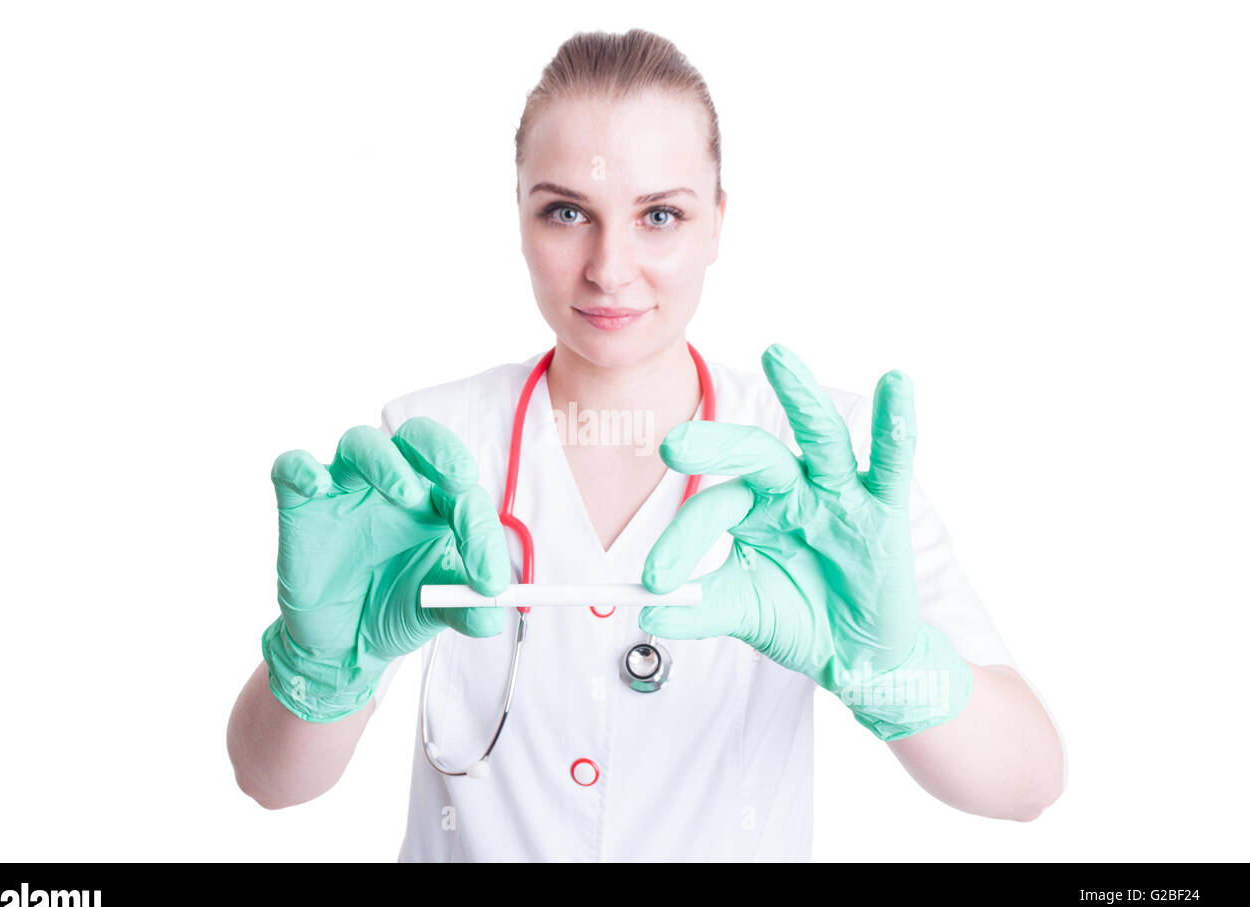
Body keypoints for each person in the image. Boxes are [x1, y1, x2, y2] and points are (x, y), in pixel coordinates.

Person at [226, 28, 1064, 862]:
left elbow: (1029, 782)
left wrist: (890, 670)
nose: (610, 267)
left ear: (717, 224)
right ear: (518, 218)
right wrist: (319, 665)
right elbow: (270, 779)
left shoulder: (823, 468)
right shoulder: (432, 452)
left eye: (659, 214)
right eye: (566, 212)